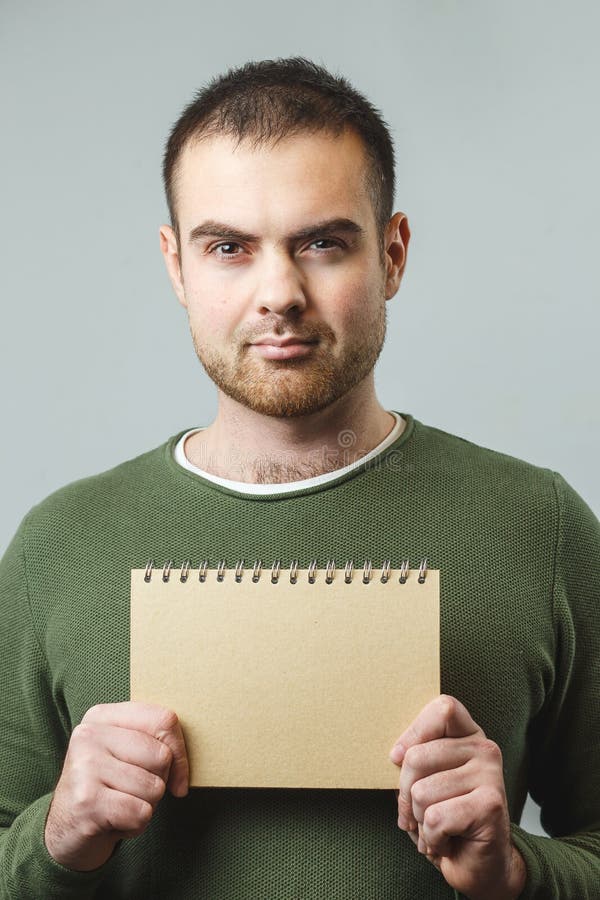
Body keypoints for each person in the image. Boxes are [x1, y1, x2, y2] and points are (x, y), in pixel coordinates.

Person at [0, 56, 598, 900]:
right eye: (229, 248)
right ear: (177, 266)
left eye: (322, 243)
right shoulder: (56, 546)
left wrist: (516, 871)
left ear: (392, 255)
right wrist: (54, 837)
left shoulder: (544, 527)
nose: (279, 292)